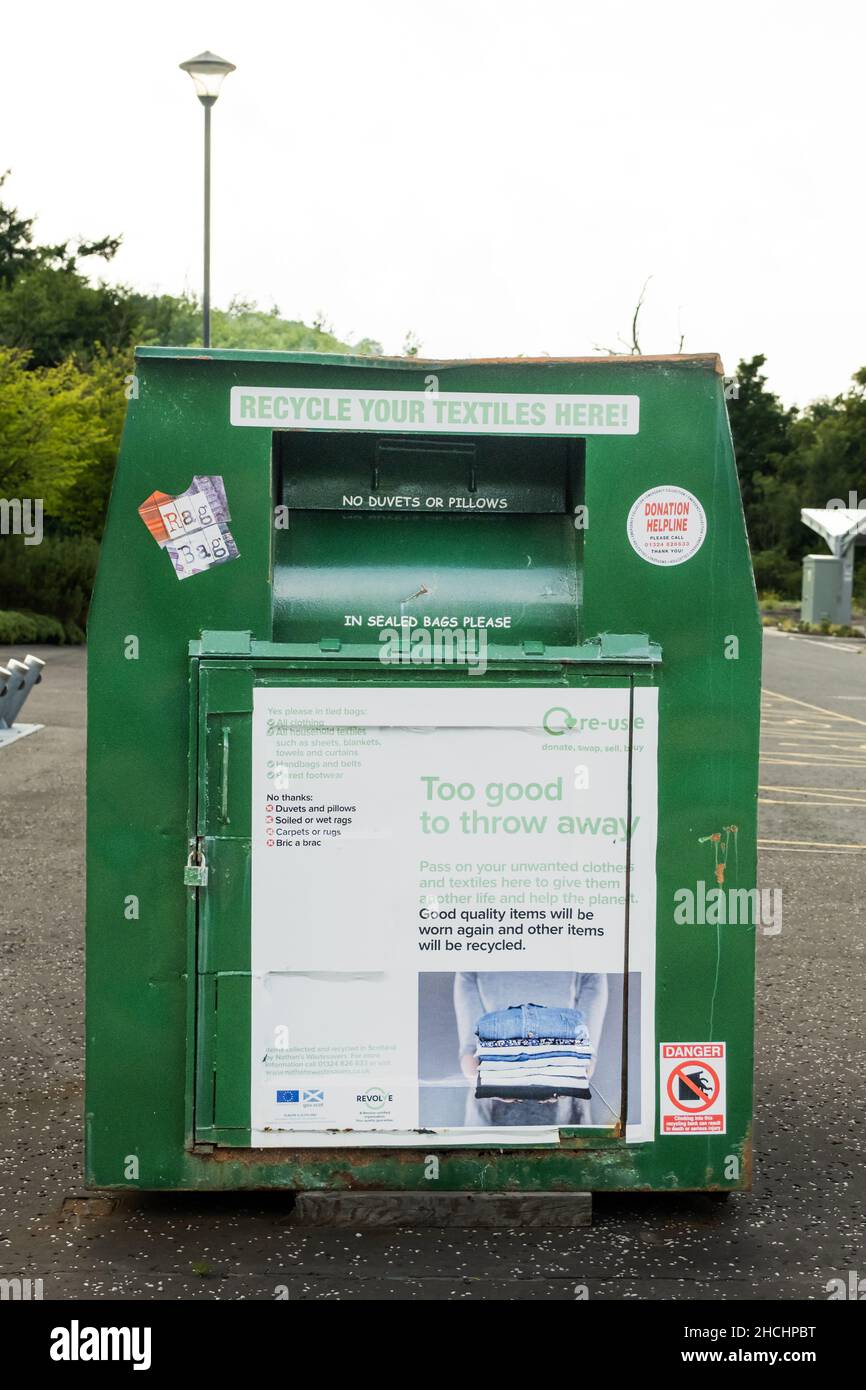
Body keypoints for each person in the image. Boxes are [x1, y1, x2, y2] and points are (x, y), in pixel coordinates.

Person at [454, 971, 608, 1127]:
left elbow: (585, 1053)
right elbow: (471, 1051)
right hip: (491, 1110)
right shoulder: (471, 965)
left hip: (564, 1107)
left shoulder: (588, 964)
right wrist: (482, 1081)